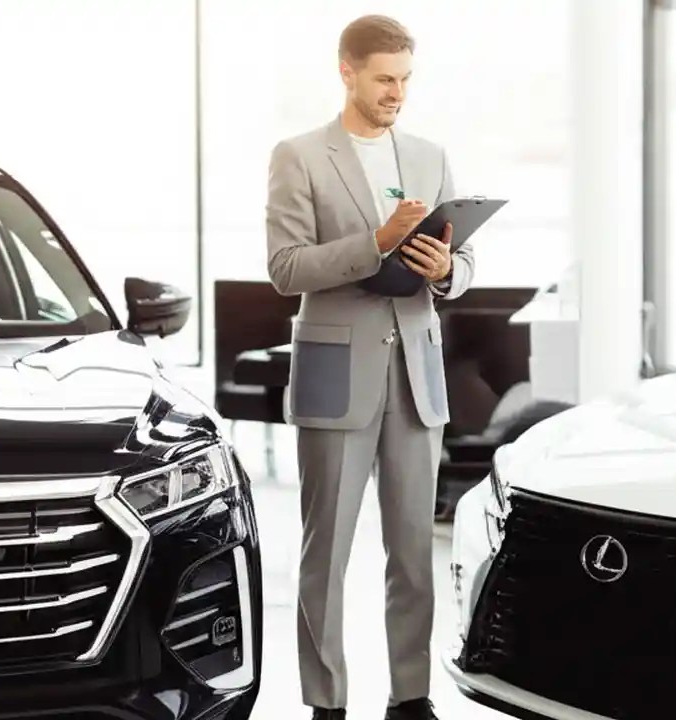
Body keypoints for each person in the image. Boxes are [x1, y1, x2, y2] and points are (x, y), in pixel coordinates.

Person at [265, 13, 474, 720]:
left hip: (416, 375)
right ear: (347, 71)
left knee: (414, 550)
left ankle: (410, 698)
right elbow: (285, 268)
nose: (397, 93)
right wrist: (376, 241)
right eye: (385, 79)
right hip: (336, 376)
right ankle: (326, 703)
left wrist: (447, 270)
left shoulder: (430, 156)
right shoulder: (299, 156)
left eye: (406, 79)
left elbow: (466, 261)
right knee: (326, 553)